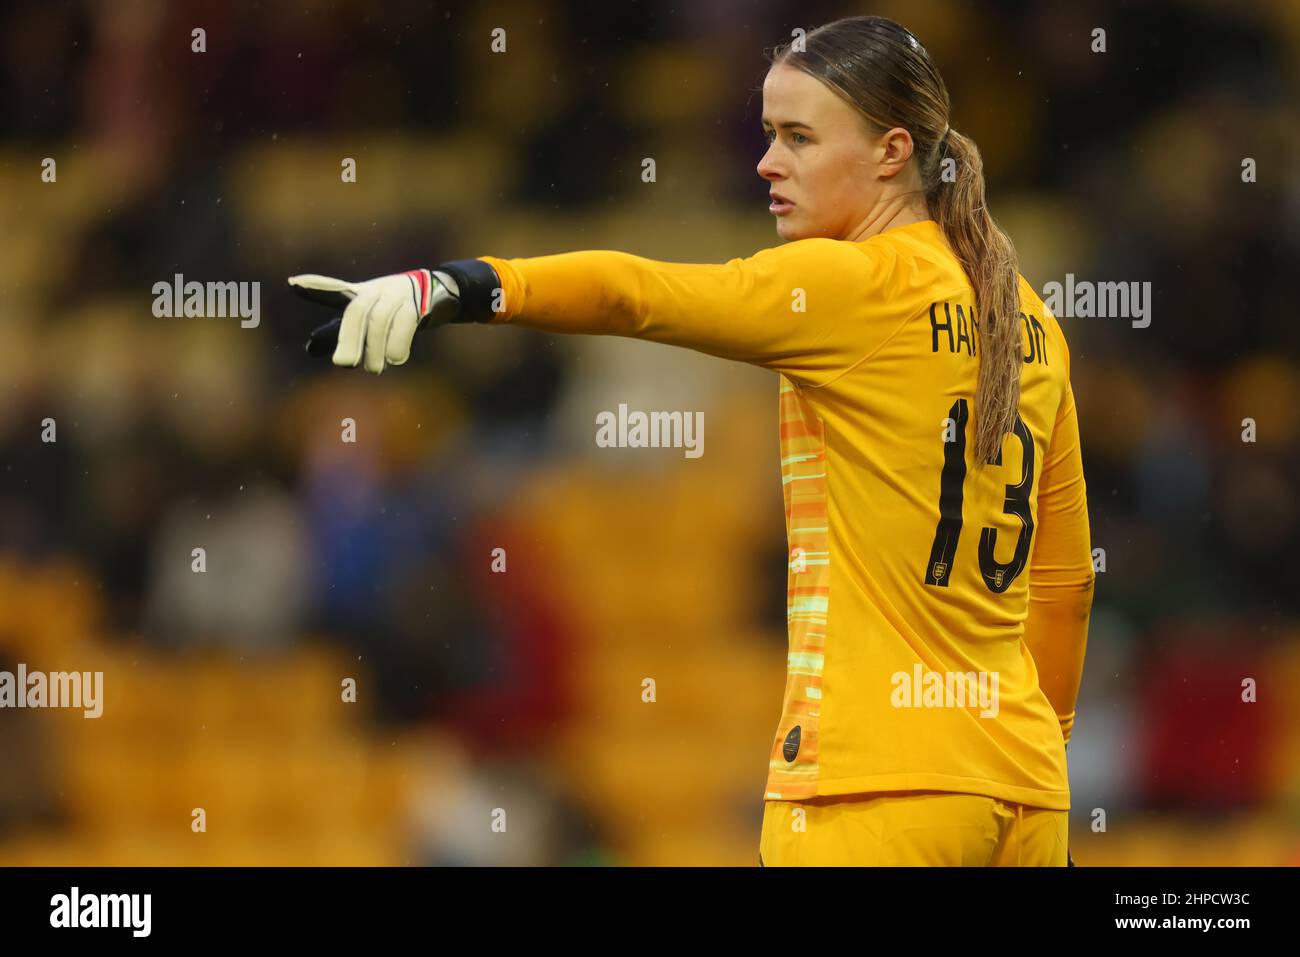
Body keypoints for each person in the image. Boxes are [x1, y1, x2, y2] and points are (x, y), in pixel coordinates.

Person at [289, 15, 1094, 866]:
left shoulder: (852, 282)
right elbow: (1065, 586)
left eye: (798, 137)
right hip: (1026, 789)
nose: (767, 164)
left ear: (891, 152)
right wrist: (1031, 765)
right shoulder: (1032, 321)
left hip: (874, 791)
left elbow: (638, 295)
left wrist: (462, 284)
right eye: (768, 135)